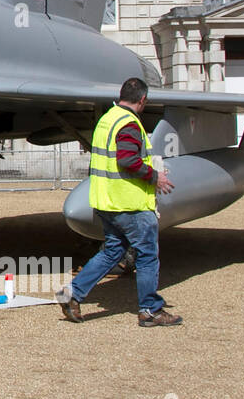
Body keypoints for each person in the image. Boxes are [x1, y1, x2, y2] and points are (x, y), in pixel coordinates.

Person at [57, 77, 182, 327]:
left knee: (112, 252)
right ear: (143, 100)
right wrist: (155, 176)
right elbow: (127, 160)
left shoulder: (107, 119)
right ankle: (150, 311)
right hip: (129, 203)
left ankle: (71, 293)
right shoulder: (129, 124)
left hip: (106, 200)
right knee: (147, 255)